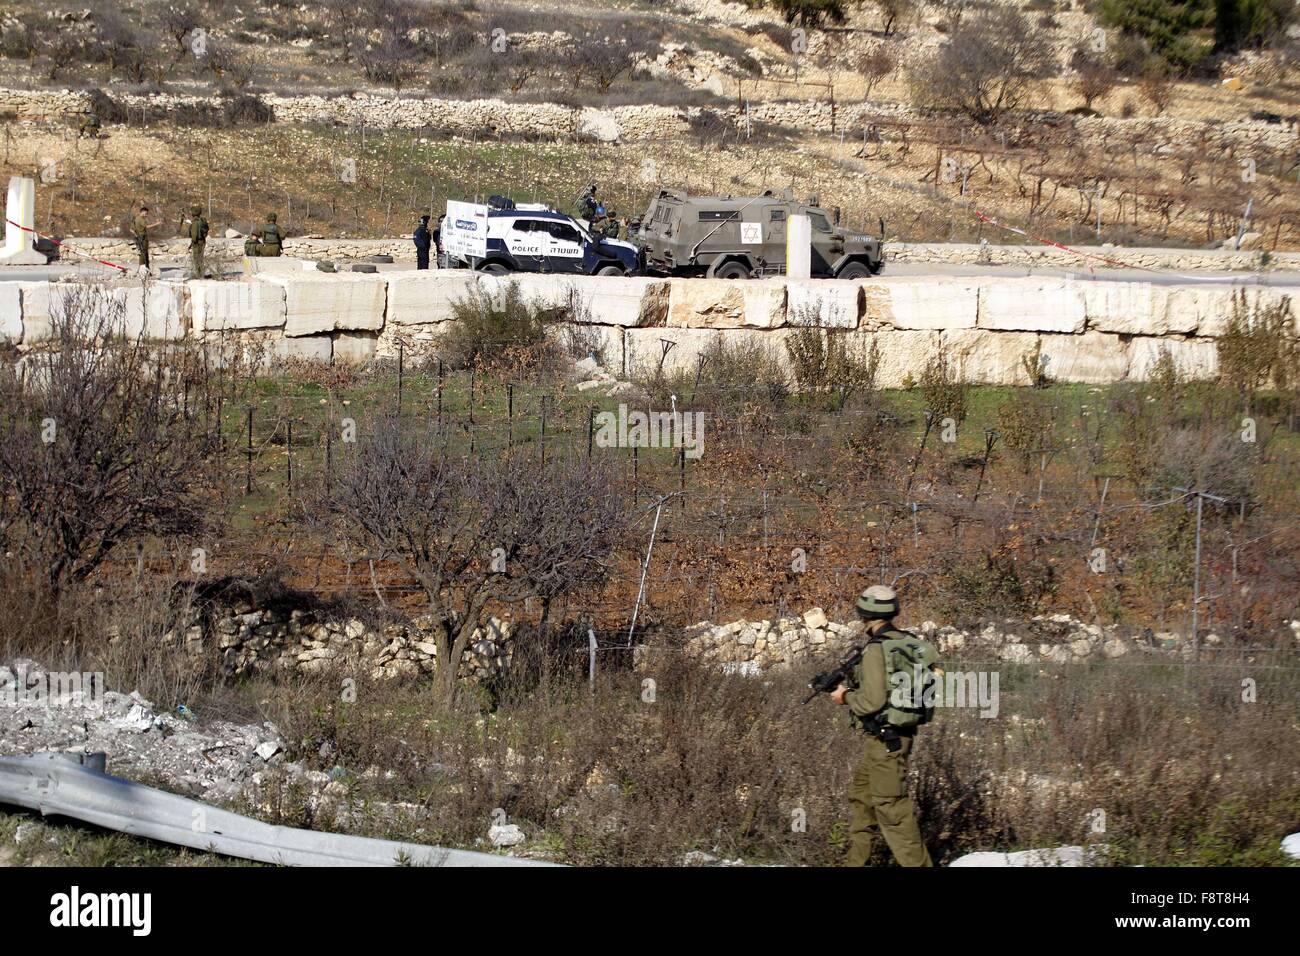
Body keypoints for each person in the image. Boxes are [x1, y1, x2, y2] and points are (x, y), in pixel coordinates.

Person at [830, 585, 935, 868]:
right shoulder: (907, 641)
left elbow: (871, 702)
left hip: (885, 742)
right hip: (894, 737)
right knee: (862, 797)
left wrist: (844, 696)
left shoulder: (877, 649)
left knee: (893, 812)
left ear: (864, 613)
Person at [130, 204, 161, 271]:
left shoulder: (136, 219)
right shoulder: (141, 219)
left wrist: (136, 235)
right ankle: (144, 269)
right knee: (144, 254)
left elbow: (131, 229)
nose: (146, 215)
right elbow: (147, 226)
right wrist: (157, 223)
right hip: (143, 238)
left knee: (142, 252)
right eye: (146, 213)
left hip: (138, 238)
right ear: (142, 212)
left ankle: (143, 269)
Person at [186, 204, 209, 278]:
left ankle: (199, 274)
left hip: (197, 243)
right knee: (201, 258)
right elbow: (207, 229)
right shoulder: (203, 220)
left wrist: (192, 243)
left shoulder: (195, 222)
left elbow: (194, 235)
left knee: (196, 258)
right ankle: (201, 273)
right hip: (202, 241)